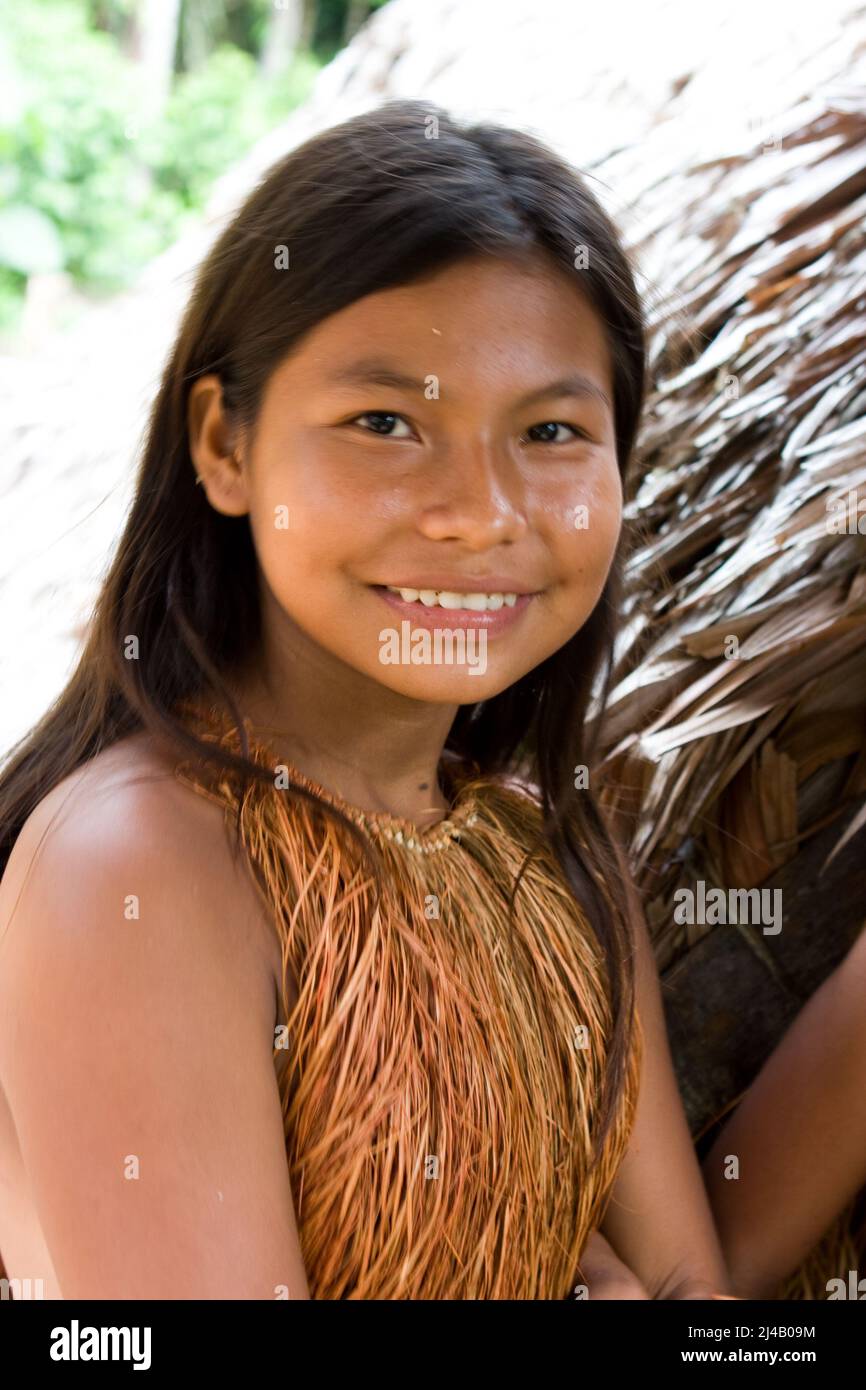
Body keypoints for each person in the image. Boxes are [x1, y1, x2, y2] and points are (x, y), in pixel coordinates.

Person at [0, 99, 729, 1299]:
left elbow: (702, 1300)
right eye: (385, 422)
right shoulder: (138, 866)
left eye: (549, 429)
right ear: (224, 445)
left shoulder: (547, 852)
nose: (479, 510)